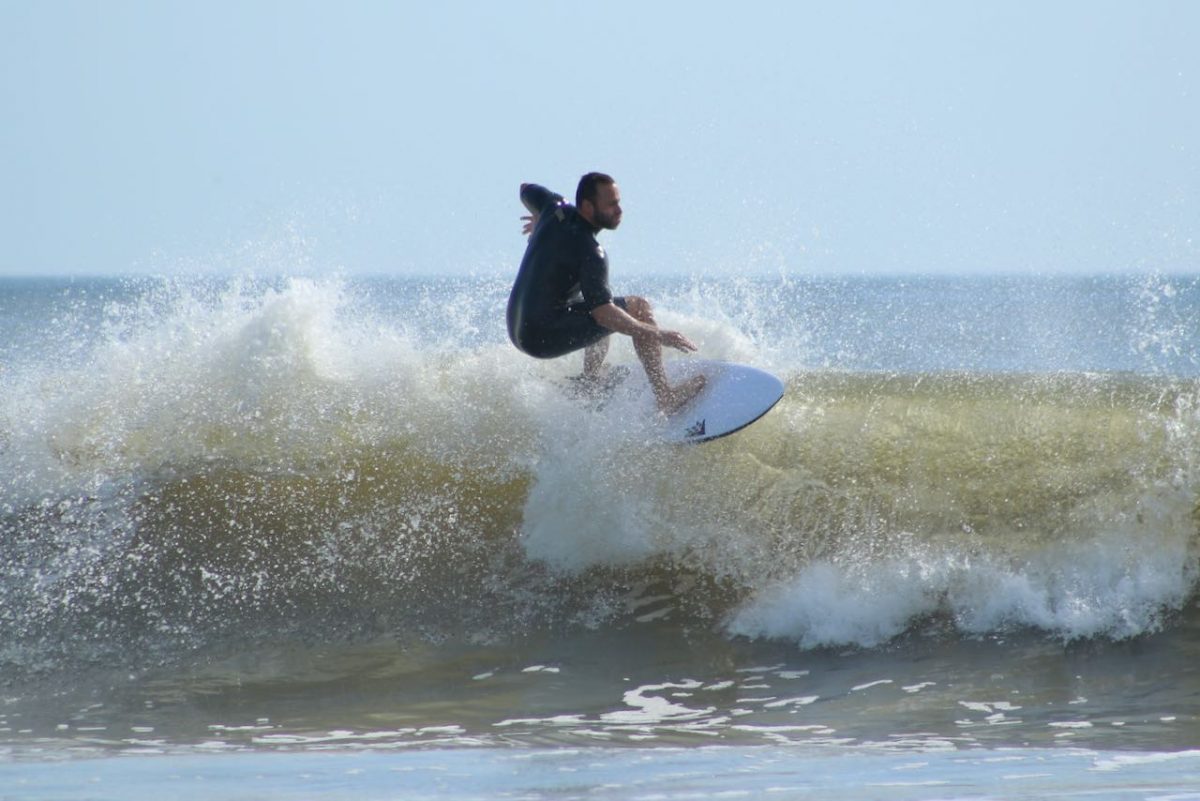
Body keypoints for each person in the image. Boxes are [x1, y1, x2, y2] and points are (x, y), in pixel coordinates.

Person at [507, 172, 705, 414]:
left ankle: (591, 381)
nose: (619, 210)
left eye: (618, 202)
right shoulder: (591, 252)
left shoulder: (552, 206)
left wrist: (540, 216)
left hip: (518, 328)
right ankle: (666, 396)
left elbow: (525, 188)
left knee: (603, 301)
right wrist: (656, 333)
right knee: (636, 307)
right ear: (588, 207)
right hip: (542, 337)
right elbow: (603, 314)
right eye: (611, 204)